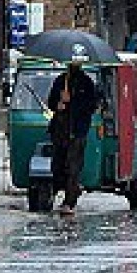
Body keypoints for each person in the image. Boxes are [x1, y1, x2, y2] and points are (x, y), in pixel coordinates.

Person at [47, 54, 98, 215]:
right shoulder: (61, 81)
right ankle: (57, 192)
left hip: (77, 131)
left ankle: (70, 201)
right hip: (60, 130)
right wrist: (58, 103)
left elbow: (91, 105)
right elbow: (51, 102)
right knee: (57, 165)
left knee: (73, 166)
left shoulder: (86, 83)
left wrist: (73, 101)